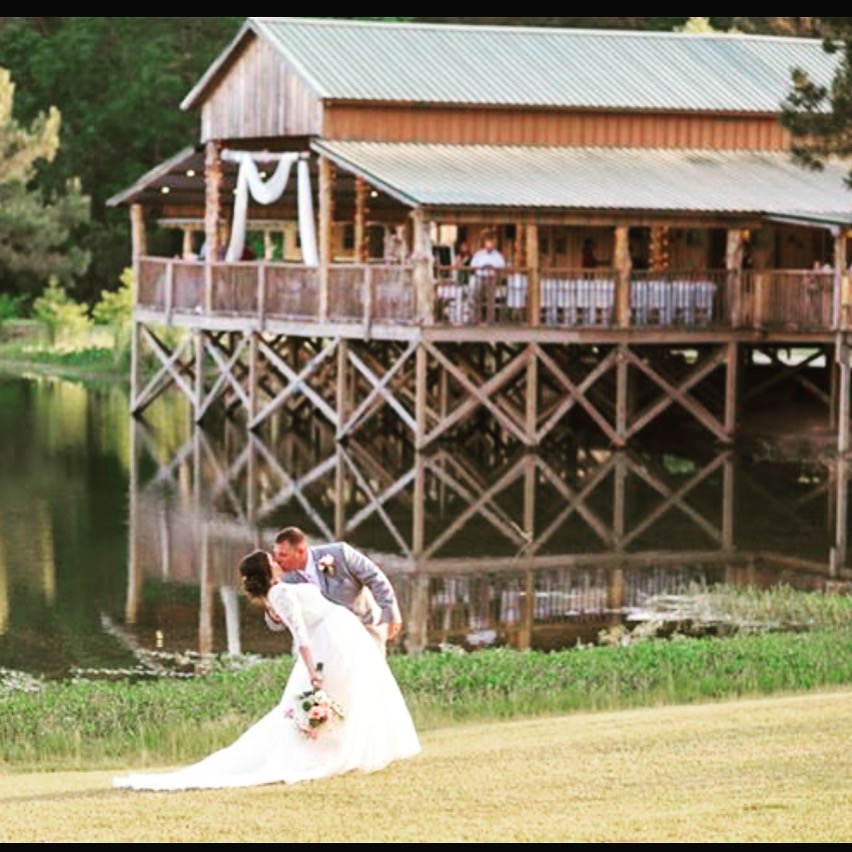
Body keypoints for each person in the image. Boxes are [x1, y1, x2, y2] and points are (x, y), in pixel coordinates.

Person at [113, 549, 421, 791]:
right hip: (330, 640)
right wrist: (313, 669)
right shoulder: (281, 595)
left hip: (337, 633)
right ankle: (334, 751)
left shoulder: (279, 591)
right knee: (339, 692)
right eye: (272, 560)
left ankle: (344, 746)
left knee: (348, 691)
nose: (277, 561)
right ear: (267, 570)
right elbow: (300, 634)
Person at [267, 526, 402, 655]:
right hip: (320, 640)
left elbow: (375, 578)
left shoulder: (339, 553)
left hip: (362, 627)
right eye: (276, 554)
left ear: (301, 550)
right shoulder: (284, 578)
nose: (277, 560)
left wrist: (389, 612)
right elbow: (279, 623)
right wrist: (274, 615)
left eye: (283, 555)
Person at [469, 233, 507, 321]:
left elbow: (502, 266)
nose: (489, 245)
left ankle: (490, 318)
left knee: (491, 299)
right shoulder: (479, 254)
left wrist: (494, 269)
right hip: (480, 278)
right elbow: (472, 265)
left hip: (491, 278)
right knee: (477, 298)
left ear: (493, 244)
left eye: (491, 243)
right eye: (487, 243)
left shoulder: (498, 255)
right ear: (485, 244)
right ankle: (477, 318)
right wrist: (482, 268)